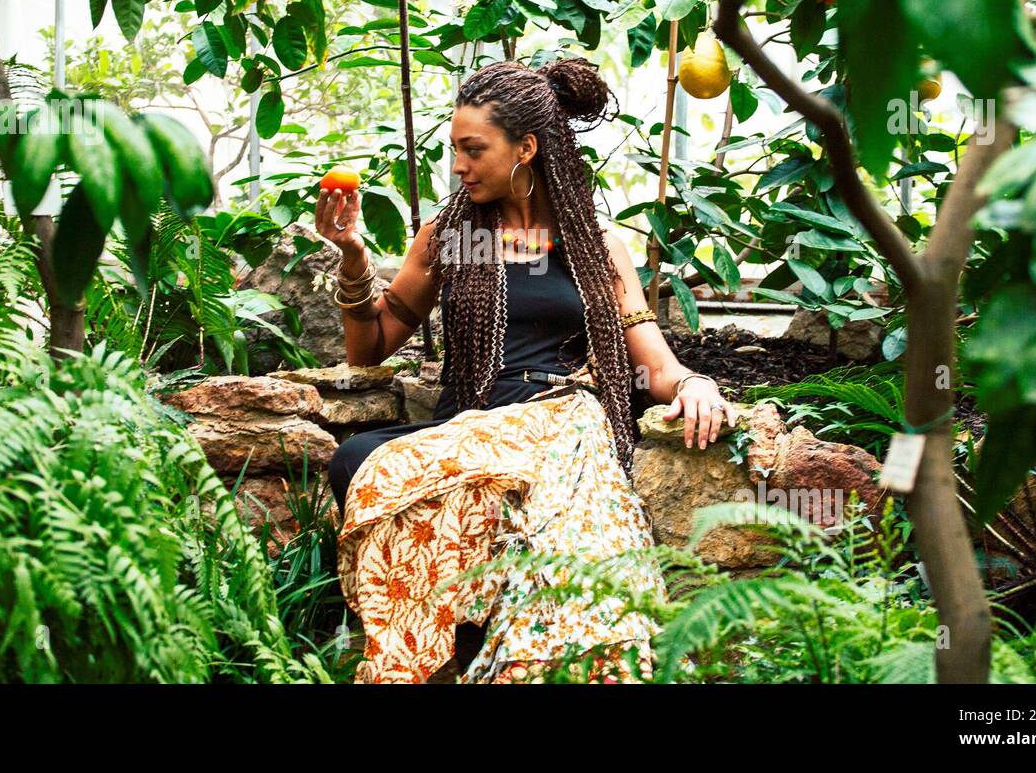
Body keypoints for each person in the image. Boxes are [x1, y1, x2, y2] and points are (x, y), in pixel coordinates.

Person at [316, 56, 738, 684]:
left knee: (473, 484)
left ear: (527, 148)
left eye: (473, 149)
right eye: (455, 149)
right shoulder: (450, 235)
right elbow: (370, 347)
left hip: (555, 426)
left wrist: (696, 384)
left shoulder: (595, 245)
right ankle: (436, 655)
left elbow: (653, 361)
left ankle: (505, 654)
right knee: (357, 459)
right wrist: (352, 257)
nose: (458, 165)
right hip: (463, 426)